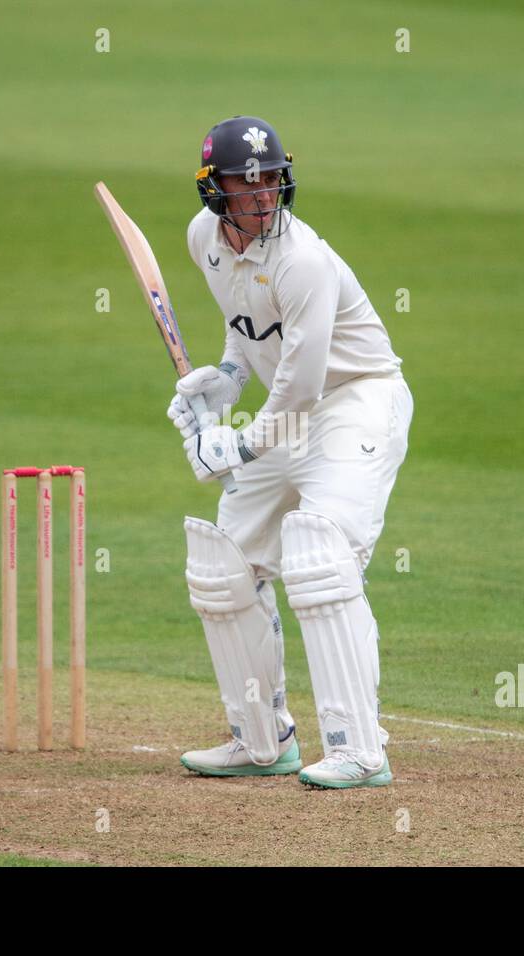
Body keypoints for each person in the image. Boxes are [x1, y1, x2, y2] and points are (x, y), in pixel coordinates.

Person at [166, 116, 413, 789]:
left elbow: (302, 386)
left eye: (271, 179)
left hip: (355, 400)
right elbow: (245, 321)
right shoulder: (203, 241)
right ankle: (261, 739)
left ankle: (359, 749)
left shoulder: (304, 259)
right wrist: (224, 378)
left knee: (320, 553)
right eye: (248, 185)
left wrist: (236, 445)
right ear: (214, 191)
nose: (263, 195)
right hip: (291, 408)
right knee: (224, 566)